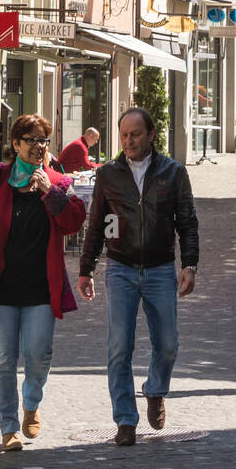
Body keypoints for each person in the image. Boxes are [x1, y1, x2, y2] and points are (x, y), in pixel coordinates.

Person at [0, 115, 87, 453]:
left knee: (39, 354)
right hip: (1, 288)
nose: (40, 147)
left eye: (44, 141)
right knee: (3, 359)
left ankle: (32, 404)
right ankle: (8, 427)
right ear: (16, 144)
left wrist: (49, 192)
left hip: (40, 287)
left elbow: (73, 222)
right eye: (32, 140)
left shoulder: (57, 181)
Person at [78, 107, 199, 447]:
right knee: (119, 346)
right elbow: (97, 224)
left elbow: (187, 222)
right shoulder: (108, 174)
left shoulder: (173, 172)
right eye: (124, 135)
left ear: (151, 136)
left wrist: (189, 264)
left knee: (168, 344)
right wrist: (87, 267)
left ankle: (156, 390)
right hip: (120, 268)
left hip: (161, 268)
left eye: (135, 135)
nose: (129, 141)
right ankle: (125, 420)